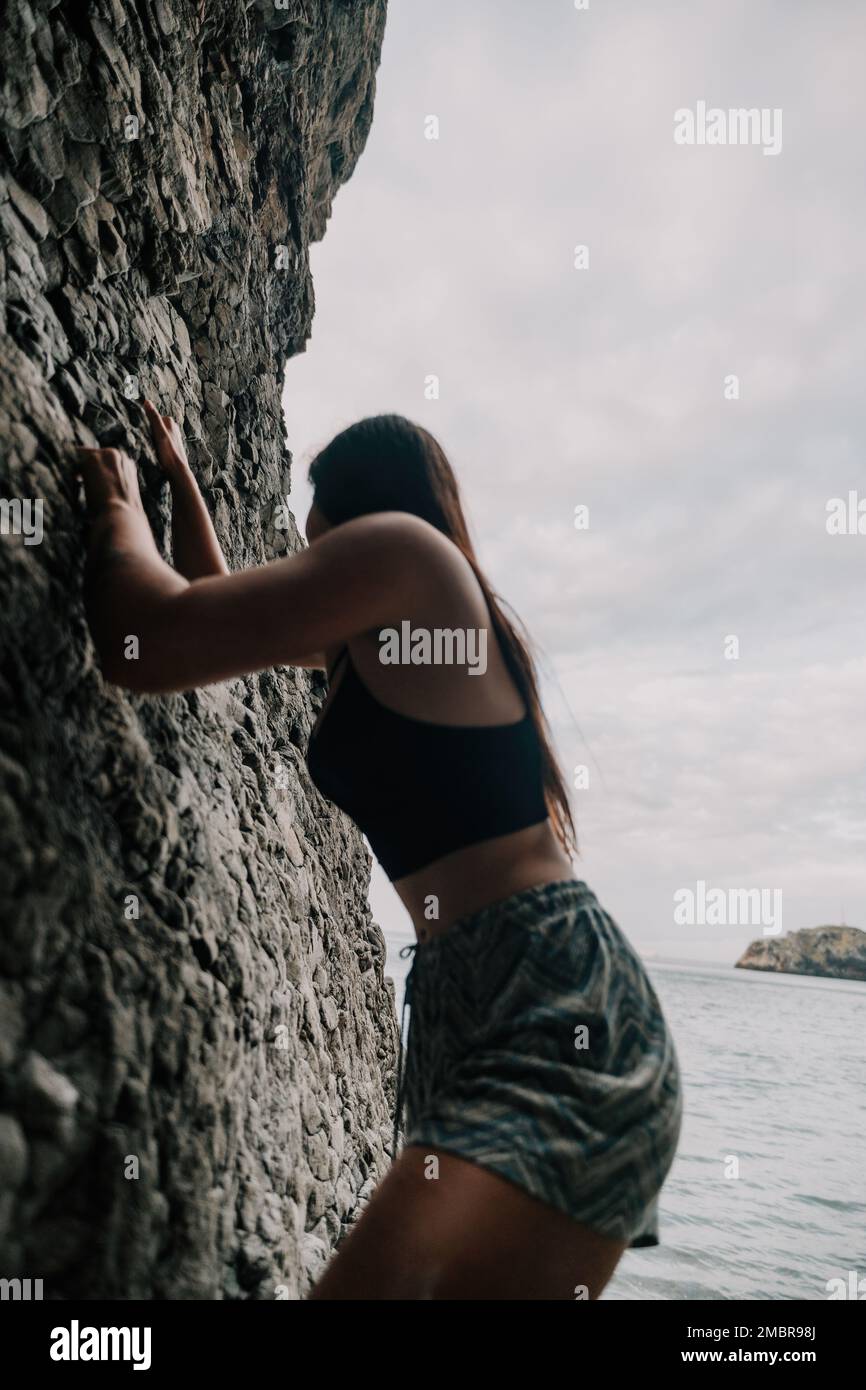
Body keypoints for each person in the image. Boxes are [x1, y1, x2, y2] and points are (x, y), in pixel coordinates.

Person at [77, 404, 682, 1300]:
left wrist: (112, 503)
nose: (302, 536)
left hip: (553, 1009)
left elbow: (148, 639)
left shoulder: (402, 558)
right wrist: (184, 487)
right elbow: (230, 614)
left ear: (340, 504)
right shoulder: (390, 618)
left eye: (308, 513)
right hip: (475, 1001)